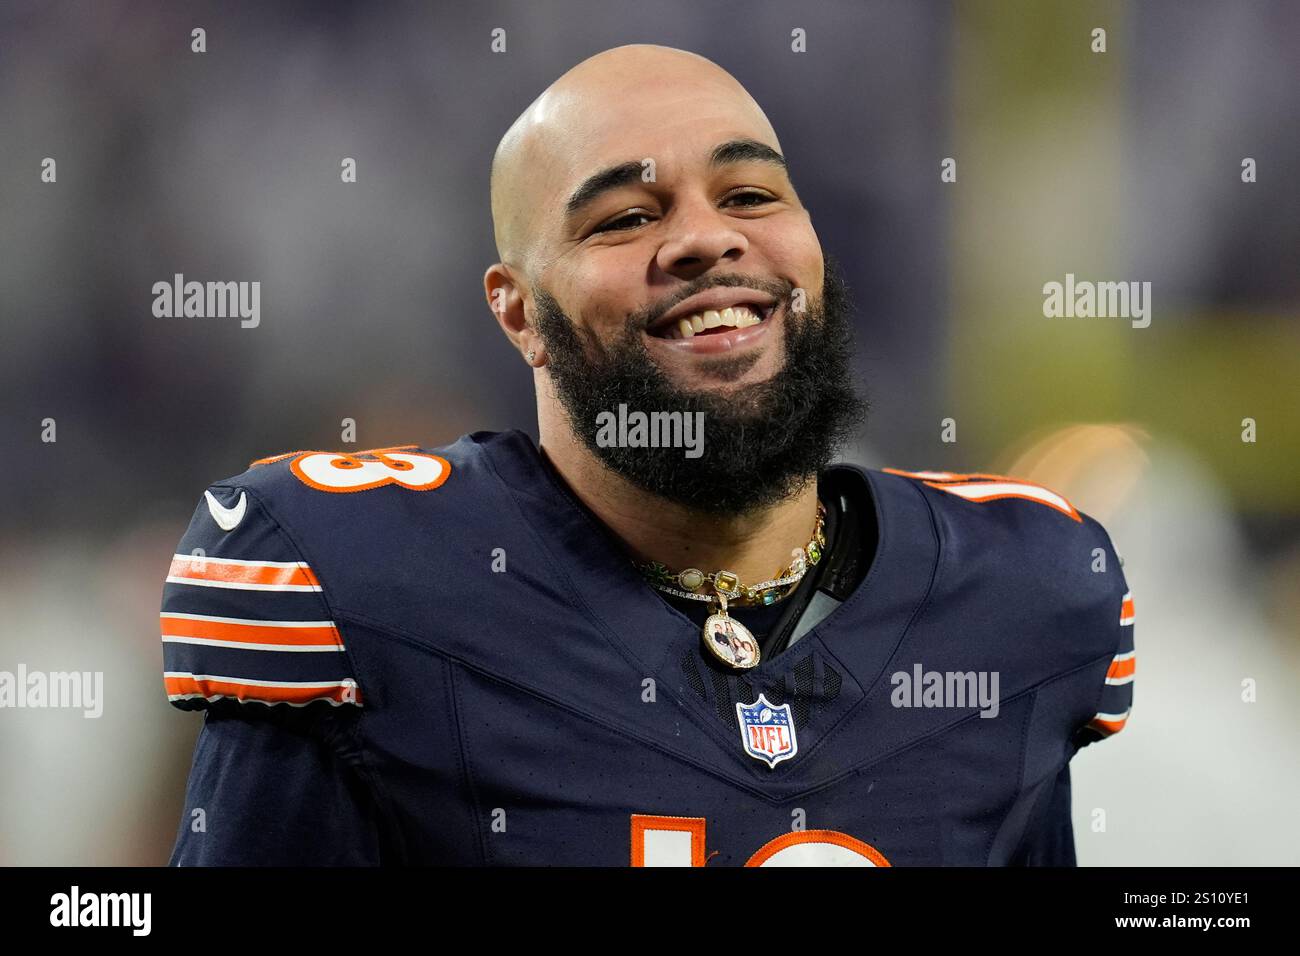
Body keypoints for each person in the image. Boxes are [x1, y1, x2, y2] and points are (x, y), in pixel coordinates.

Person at [161, 44, 1133, 866]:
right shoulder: (364, 581)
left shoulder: (1018, 592)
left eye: (750, 192)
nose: (707, 238)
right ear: (518, 308)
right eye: (626, 217)